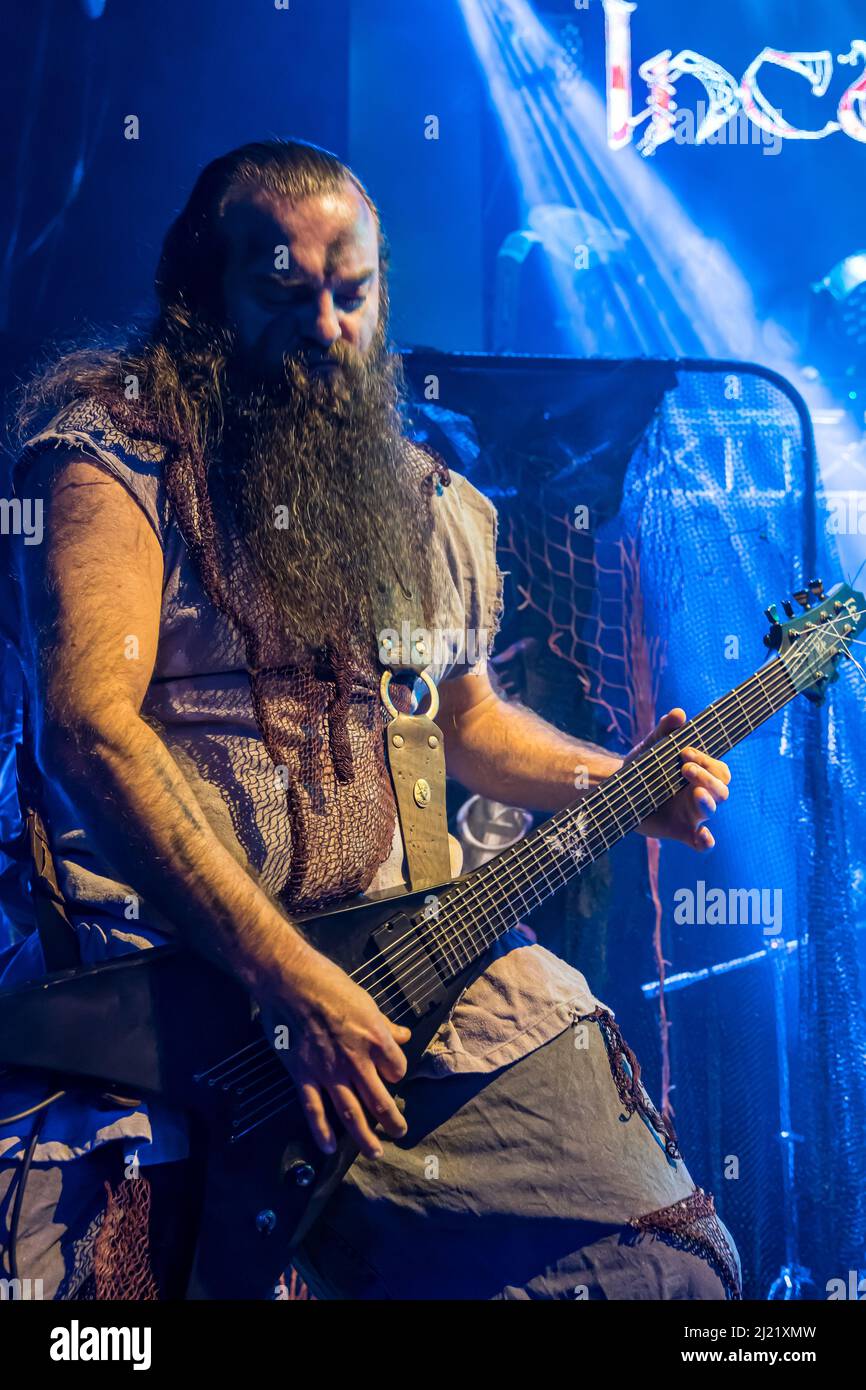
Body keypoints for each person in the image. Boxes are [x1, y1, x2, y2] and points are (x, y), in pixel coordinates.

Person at [0, 139, 740, 1301]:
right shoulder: (108, 463)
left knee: (664, 1274)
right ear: (202, 300)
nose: (329, 327)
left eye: (353, 295)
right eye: (285, 294)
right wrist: (285, 978)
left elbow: (464, 721)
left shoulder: (420, 502)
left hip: (412, 967)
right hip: (165, 990)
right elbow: (87, 727)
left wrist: (615, 781)